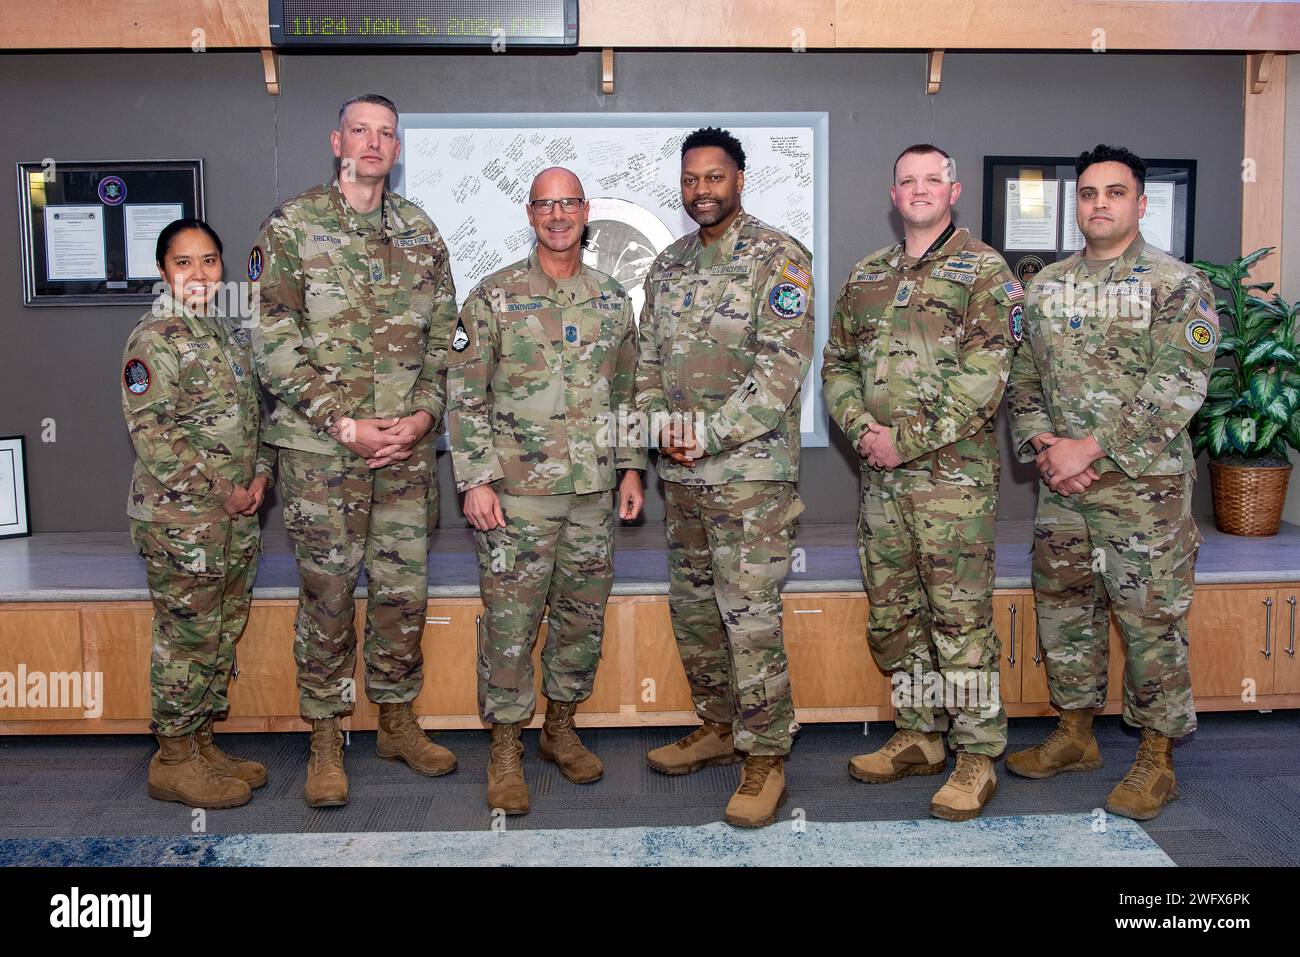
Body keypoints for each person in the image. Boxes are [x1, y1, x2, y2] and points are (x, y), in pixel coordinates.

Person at [252, 93, 458, 807]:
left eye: (386, 134)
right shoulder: (292, 226)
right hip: (320, 455)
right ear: (336, 140)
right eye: (360, 131)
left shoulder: (423, 234)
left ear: (396, 150)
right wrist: (343, 421)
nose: (373, 143)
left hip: (404, 453)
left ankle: (397, 719)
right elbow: (272, 340)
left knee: (403, 594)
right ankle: (325, 733)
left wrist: (426, 413)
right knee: (329, 597)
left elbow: (445, 342)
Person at [1005, 144, 1215, 820]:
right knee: (1067, 611)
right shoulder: (1045, 284)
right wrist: (1045, 445)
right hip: (1063, 490)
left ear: (1140, 203)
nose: (1099, 203)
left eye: (1114, 192)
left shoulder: (1176, 283)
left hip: (1142, 492)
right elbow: (1024, 377)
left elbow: (1177, 387)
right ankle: (1075, 733)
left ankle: (1157, 757)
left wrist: (1090, 448)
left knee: (1150, 621)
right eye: (1089, 193)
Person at [822, 145, 1019, 821]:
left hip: (951, 487)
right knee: (895, 618)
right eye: (907, 180)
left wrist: (898, 439)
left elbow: (985, 379)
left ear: (953, 189)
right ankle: (919, 733)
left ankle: (975, 755)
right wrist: (860, 430)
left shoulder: (985, 271)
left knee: (959, 624)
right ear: (893, 192)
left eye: (931, 179)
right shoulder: (869, 273)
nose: (919, 189)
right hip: (881, 486)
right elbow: (838, 363)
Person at [447, 167, 647, 814]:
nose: (558, 214)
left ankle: (560, 726)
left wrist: (632, 469)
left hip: (592, 492)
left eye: (569, 203)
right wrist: (476, 478)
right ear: (530, 214)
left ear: (585, 211)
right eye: (545, 204)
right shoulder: (494, 296)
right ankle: (506, 746)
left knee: (580, 620)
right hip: (518, 498)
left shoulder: (612, 299)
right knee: (510, 624)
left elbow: (627, 393)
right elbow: (465, 393)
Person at [634, 127, 813, 828]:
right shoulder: (669, 264)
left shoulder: (779, 258)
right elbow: (646, 360)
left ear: (739, 179)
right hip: (682, 481)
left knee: (750, 621)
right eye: (690, 179)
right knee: (698, 615)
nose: (701, 189)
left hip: (750, 481)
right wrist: (658, 424)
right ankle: (717, 726)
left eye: (714, 177)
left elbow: (778, 375)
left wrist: (702, 433)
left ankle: (765, 756)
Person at [122, 218, 274, 809]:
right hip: (181, 519)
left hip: (233, 515)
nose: (199, 273)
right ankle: (173, 760)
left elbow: (252, 417)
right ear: (163, 271)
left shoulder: (225, 333)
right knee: (186, 638)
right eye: (184, 263)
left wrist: (259, 474)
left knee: (219, 631)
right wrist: (222, 490)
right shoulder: (153, 338)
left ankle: (203, 743)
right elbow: (154, 436)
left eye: (209, 261)